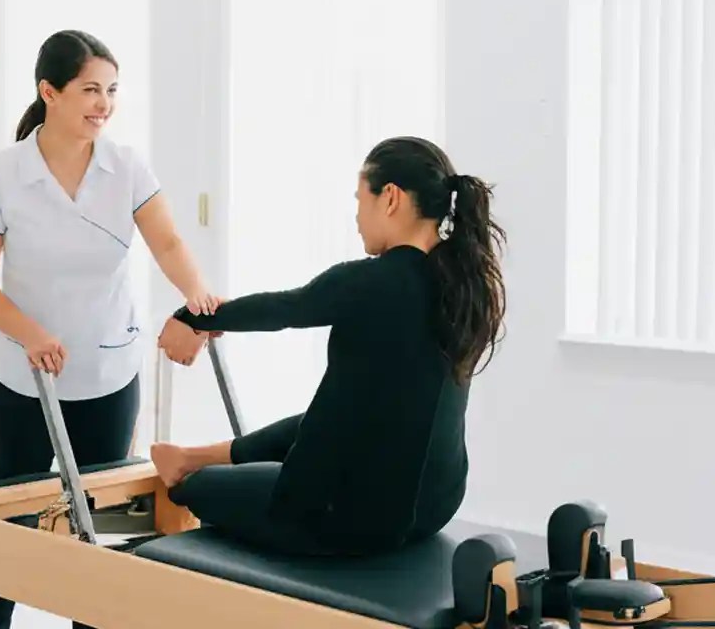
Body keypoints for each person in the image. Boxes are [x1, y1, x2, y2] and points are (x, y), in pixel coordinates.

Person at [0, 29, 219, 629]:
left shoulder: (125, 167)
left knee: (111, 527)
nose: (104, 103)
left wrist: (198, 296)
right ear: (49, 92)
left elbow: (169, 241)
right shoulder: (1, 176)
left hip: (108, 373)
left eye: (112, 91)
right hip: (21, 382)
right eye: (90, 90)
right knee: (10, 522)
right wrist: (30, 333)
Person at [151, 135, 506, 557]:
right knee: (321, 418)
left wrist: (191, 318)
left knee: (196, 490)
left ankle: (190, 470)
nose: (356, 217)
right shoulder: (465, 284)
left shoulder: (370, 281)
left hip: (345, 516)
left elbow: (283, 309)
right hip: (435, 505)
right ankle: (191, 455)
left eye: (360, 200)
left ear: (389, 198)